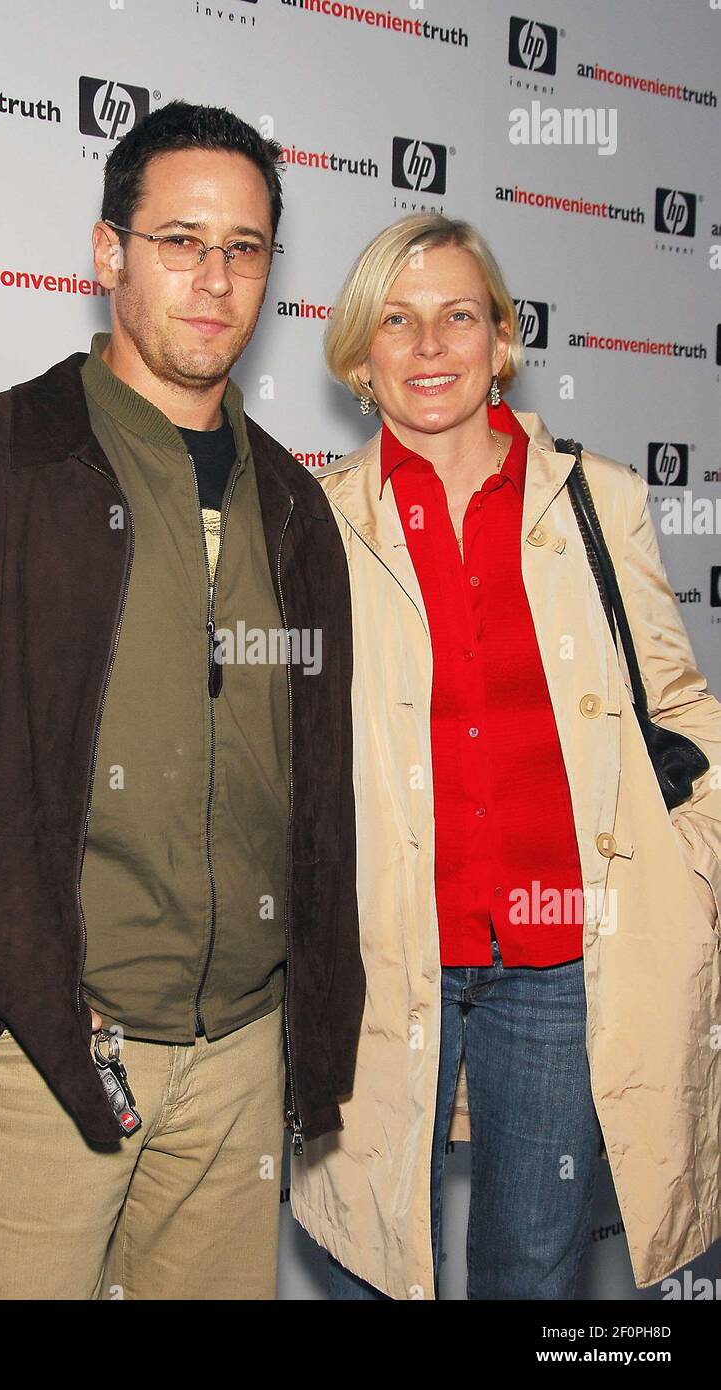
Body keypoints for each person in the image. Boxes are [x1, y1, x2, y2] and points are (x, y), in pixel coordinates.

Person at [0, 101, 364, 1300]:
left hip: (237, 1067)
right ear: (109, 253)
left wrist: (303, 1026)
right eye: (180, 240)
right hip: (32, 1059)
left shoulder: (293, 509)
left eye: (246, 247)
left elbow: (317, 799)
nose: (215, 279)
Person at [289, 212, 721, 1301]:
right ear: (359, 354)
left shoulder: (599, 501)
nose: (430, 345)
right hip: (386, 957)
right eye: (398, 319)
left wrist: (694, 870)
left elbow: (678, 704)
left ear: (499, 343)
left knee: (533, 1268)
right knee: (370, 1262)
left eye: (458, 316)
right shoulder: (310, 524)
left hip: (565, 961)